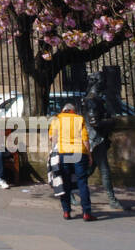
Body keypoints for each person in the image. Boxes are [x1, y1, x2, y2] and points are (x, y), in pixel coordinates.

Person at [82, 75, 124, 211]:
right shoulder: (92, 100)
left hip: (98, 138)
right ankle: (112, 199)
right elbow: (95, 123)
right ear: (96, 83)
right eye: (101, 82)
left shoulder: (95, 99)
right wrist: (112, 121)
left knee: (89, 170)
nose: (103, 84)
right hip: (95, 140)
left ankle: (68, 191)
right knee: (104, 170)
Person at [48, 103, 96, 221]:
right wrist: (89, 155)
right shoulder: (79, 119)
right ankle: (86, 213)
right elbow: (85, 139)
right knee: (82, 182)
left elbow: (52, 138)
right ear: (73, 111)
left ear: (63, 110)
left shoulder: (56, 119)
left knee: (65, 182)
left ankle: (66, 212)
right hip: (79, 153)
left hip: (63, 154)